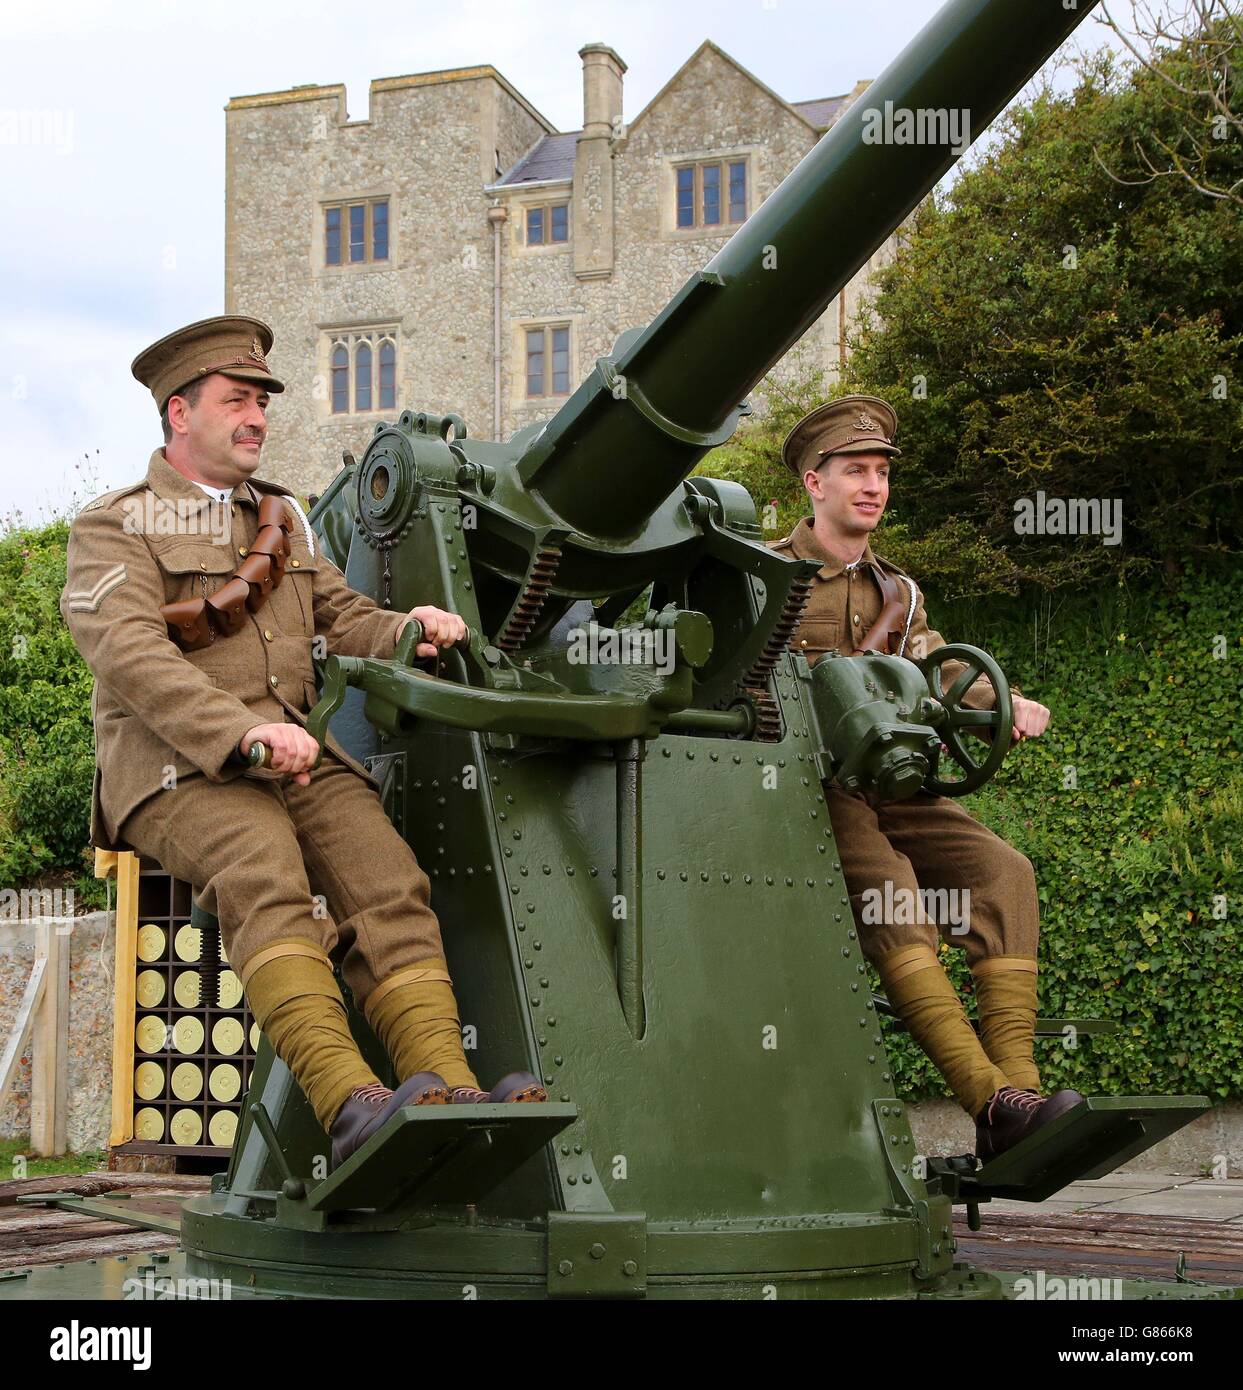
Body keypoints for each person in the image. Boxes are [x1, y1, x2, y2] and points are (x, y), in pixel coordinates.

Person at [60, 316, 544, 1172]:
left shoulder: (282, 519)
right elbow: (130, 657)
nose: (256, 417)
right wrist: (240, 733)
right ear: (179, 413)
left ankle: (444, 1084)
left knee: (387, 880)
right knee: (263, 874)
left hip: (293, 757)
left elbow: (338, 616)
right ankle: (350, 1102)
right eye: (236, 400)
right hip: (175, 767)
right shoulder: (115, 526)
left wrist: (407, 630)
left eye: (261, 402)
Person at [769, 394, 1082, 1160]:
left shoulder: (898, 593)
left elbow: (935, 667)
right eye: (854, 472)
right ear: (814, 482)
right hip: (805, 792)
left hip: (893, 781)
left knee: (1003, 873)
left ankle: (1016, 1097)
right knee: (893, 893)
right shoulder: (764, 576)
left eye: (879, 473)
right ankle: (987, 1098)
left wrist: (998, 702)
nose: (871, 486)